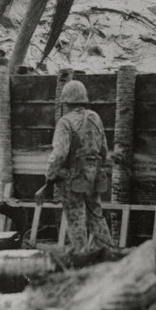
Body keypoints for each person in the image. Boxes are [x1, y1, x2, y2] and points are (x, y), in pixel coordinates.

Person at [38, 79, 113, 251]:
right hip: (94, 176)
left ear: (65, 102)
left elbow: (59, 154)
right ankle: (108, 254)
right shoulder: (96, 118)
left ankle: (81, 257)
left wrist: (50, 176)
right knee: (96, 215)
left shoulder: (65, 122)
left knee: (75, 218)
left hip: (72, 178)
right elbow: (104, 150)